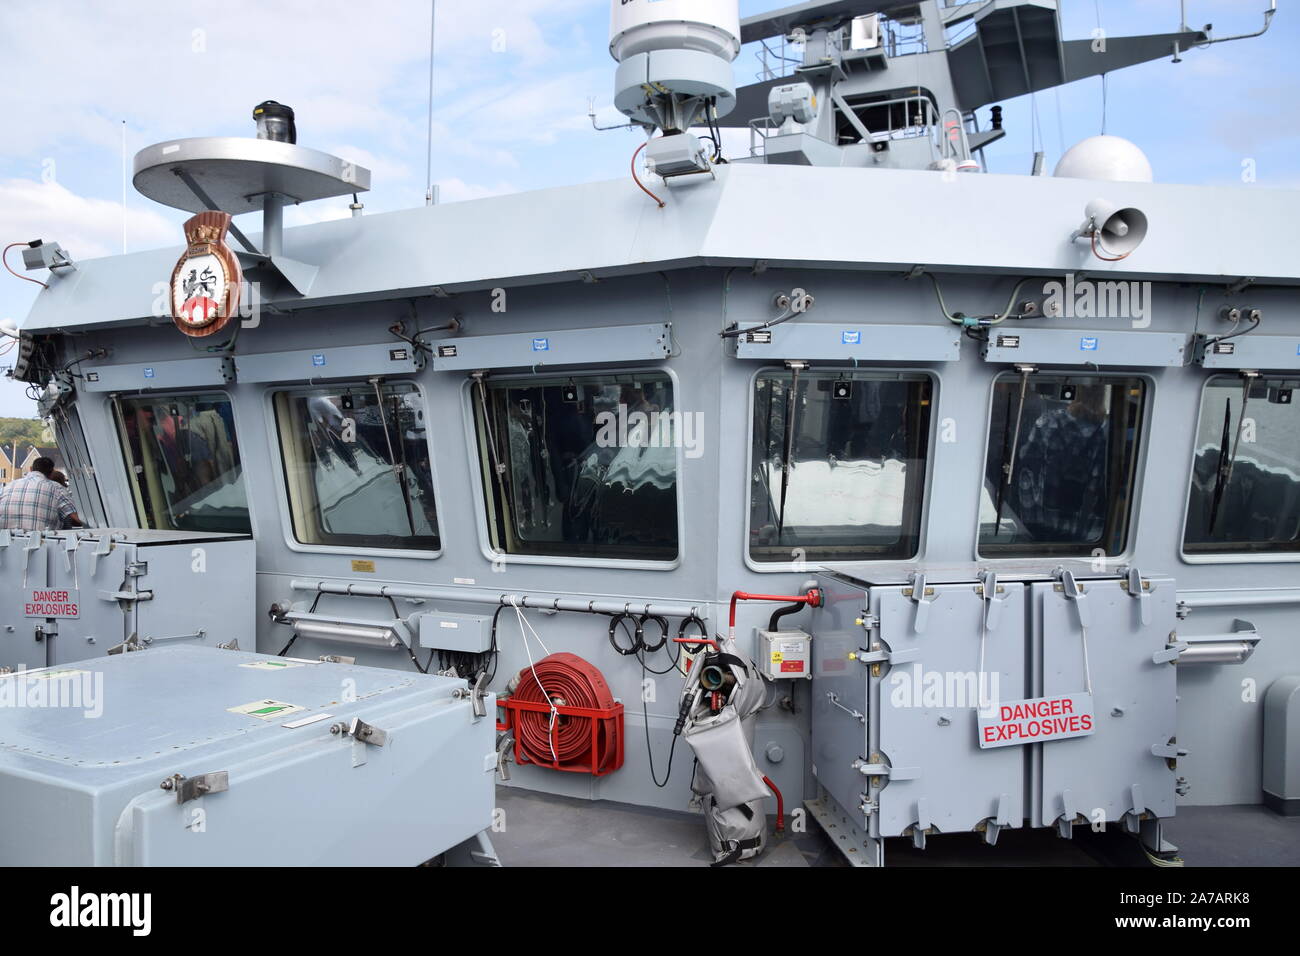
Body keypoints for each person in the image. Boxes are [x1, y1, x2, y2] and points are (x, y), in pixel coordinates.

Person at [0, 457, 82, 530]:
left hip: (7, 542)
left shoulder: (9, 486)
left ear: (31, 469)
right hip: (41, 542)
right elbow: (76, 517)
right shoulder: (56, 488)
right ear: (51, 473)